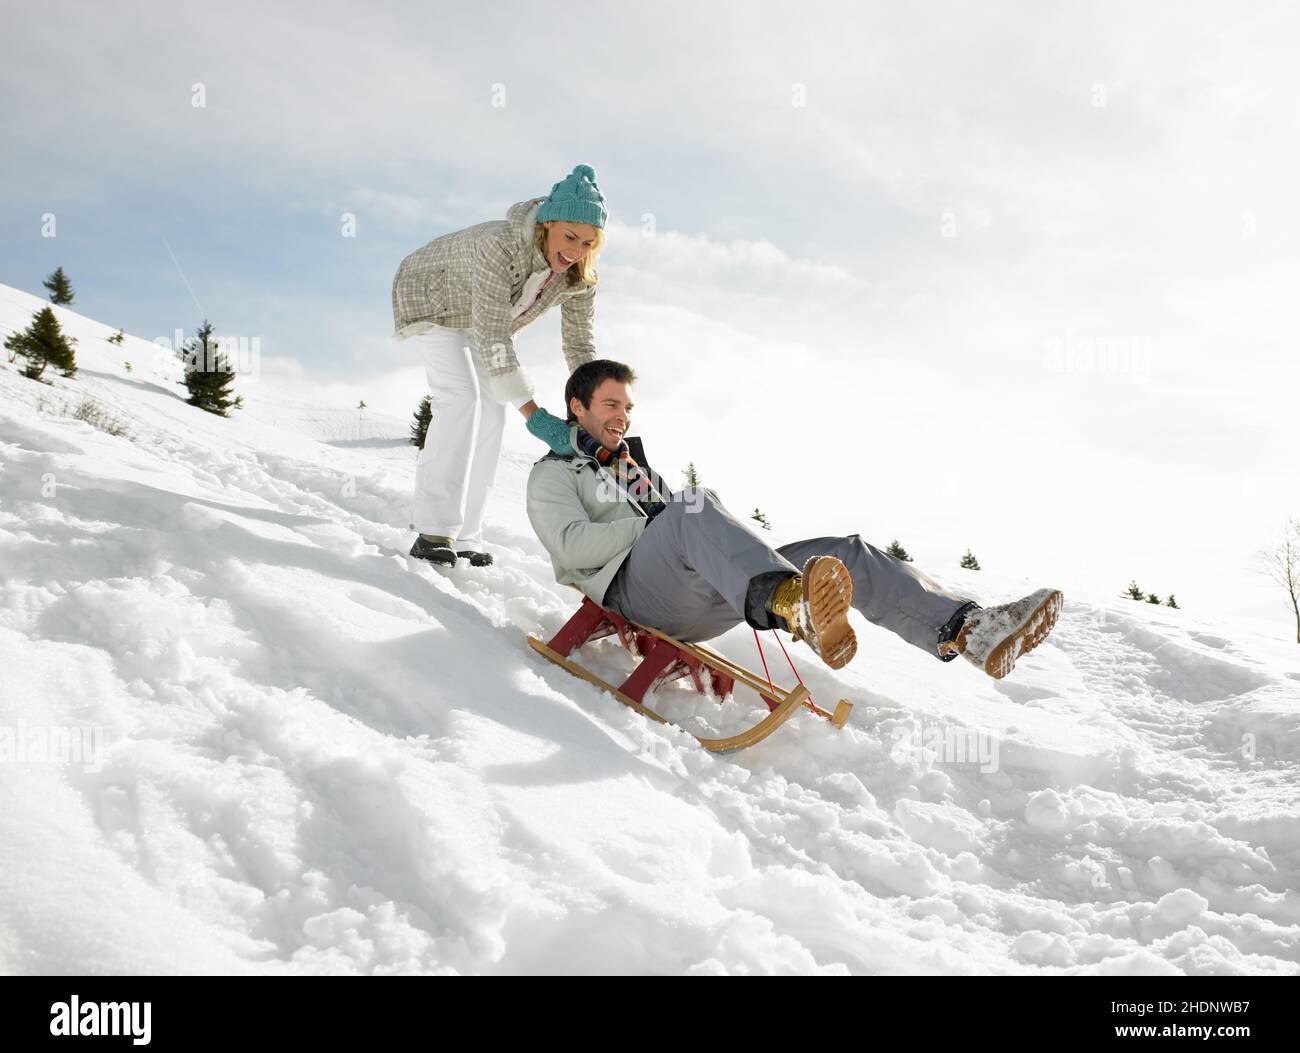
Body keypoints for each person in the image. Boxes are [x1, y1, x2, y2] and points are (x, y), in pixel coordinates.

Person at [525, 360, 1064, 678]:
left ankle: (969, 630)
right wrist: (656, 522)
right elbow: (572, 549)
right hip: (632, 598)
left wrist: (669, 514)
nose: (622, 416)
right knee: (692, 505)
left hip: (704, 598)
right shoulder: (553, 475)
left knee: (842, 553)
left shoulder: (634, 470)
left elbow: (683, 532)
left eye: (628, 408)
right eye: (612, 405)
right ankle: (789, 601)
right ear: (577, 407)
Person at [392, 164, 608, 568]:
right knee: (462, 398)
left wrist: (596, 406)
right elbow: (493, 336)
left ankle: (467, 534)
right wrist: (536, 417)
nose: (577, 250)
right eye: (570, 236)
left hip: (486, 320)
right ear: (546, 225)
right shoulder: (500, 244)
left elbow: (580, 345)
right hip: (432, 299)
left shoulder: (579, 276)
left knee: (492, 412)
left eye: (588, 242)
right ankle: (433, 529)